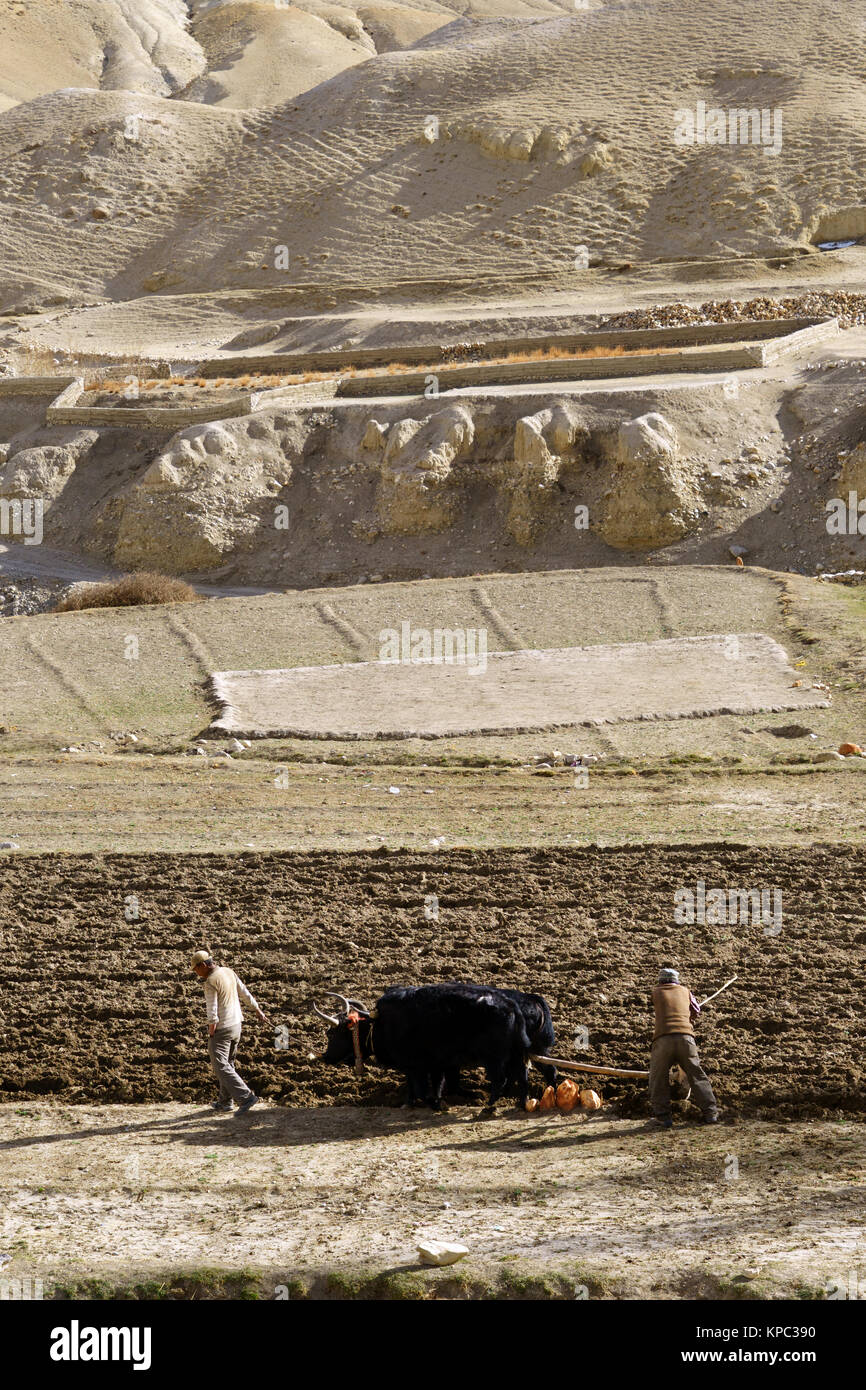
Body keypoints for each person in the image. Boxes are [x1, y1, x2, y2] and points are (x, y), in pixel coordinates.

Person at [190, 949, 268, 1114]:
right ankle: (225, 1102)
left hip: (222, 1028)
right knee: (228, 1064)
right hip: (236, 1025)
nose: (196, 973)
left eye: (196, 969)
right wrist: (257, 1010)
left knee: (220, 1066)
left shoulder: (210, 981)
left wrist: (212, 1030)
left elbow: (212, 1010)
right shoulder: (228, 972)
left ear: (203, 965)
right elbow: (244, 992)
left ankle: (246, 1097)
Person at [648, 967, 718, 1128]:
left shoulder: (656, 992)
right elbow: (696, 1011)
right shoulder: (685, 991)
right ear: (676, 981)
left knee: (658, 1077)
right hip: (686, 1039)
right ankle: (710, 1113)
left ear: (660, 980)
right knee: (696, 1074)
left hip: (663, 1039)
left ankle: (663, 1117)